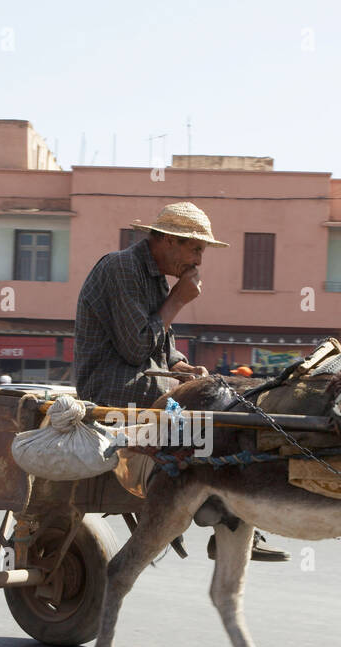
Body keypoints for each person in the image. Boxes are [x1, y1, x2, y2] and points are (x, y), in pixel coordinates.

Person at [74, 201, 287, 562]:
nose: (199, 261)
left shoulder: (155, 277)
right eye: (196, 249)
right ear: (169, 241)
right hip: (111, 386)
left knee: (226, 399)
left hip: (144, 381)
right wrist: (177, 300)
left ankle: (226, 512)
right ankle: (224, 512)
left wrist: (185, 368)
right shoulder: (121, 268)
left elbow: (164, 351)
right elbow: (134, 347)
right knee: (207, 412)